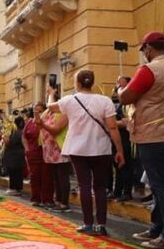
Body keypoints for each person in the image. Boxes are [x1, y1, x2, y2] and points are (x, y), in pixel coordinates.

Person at [120, 31, 164, 249]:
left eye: (145, 51)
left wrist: (120, 89)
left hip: (153, 132)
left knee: (161, 184)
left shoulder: (150, 69)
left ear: (149, 49)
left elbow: (126, 97)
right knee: (162, 182)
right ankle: (158, 227)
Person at [45, 70, 125, 236]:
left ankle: (88, 223)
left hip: (78, 149)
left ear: (78, 84)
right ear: (92, 82)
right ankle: (101, 224)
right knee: (100, 187)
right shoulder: (105, 101)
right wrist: (120, 150)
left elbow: (50, 107)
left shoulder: (70, 100)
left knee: (85, 186)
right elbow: (112, 127)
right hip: (101, 148)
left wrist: (51, 94)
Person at [23, 102, 51, 207]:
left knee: (46, 177)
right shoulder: (29, 122)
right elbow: (24, 137)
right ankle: (35, 199)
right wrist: (27, 149)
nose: (37, 113)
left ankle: (47, 200)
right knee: (34, 176)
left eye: (40, 111)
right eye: (35, 111)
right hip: (33, 153)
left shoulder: (48, 120)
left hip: (46, 152)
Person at [112, 76, 134, 202]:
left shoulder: (130, 101)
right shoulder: (119, 102)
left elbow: (130, 120)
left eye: (121, 82)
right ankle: (117, 191)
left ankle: (127, 192)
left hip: (127, 136)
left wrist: (113, 124)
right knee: (117, 164)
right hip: (117, 136)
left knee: (125, 164)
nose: (118, 84)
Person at [4, 117, 27, 195]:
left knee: (15, 173)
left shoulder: (18, 132)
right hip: (16, 155)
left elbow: (10, 143)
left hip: (15, 156)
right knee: (16, 172)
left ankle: (15, 188)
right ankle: (15, 188)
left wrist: (6, 139)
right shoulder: (18, 132)